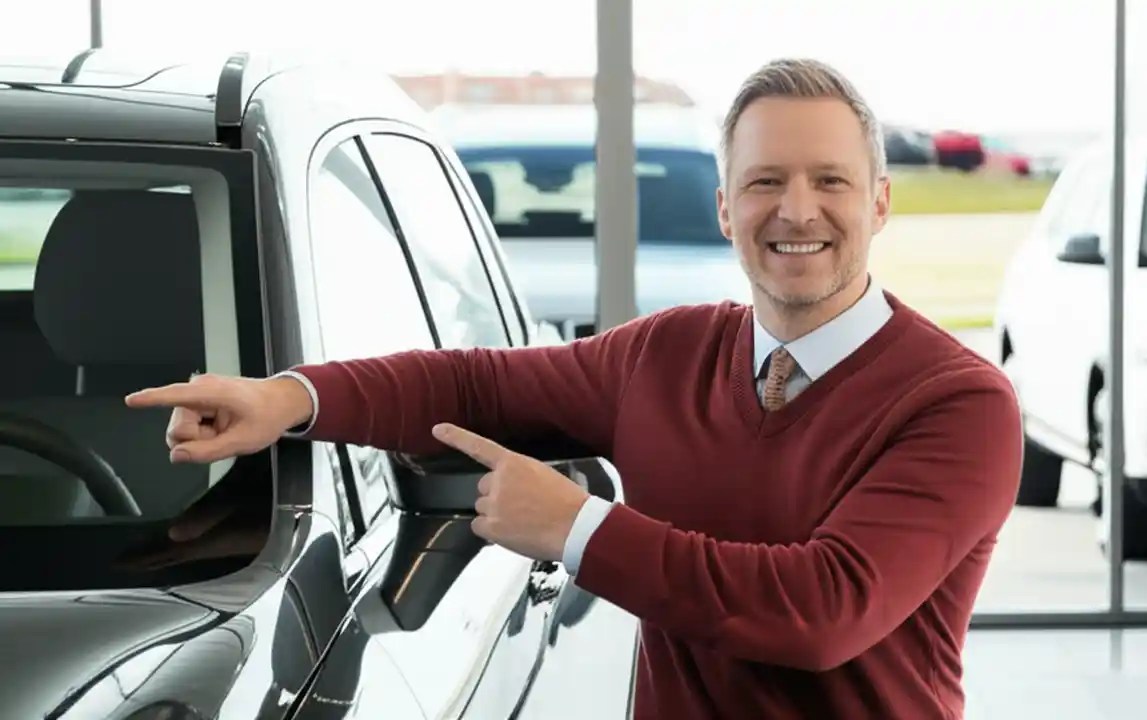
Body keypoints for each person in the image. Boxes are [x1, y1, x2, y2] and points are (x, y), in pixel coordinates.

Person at [126, 57, 1023, 720]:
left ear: (878, 204)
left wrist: (573, 527)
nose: (796, 211)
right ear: (724, 208)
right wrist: (290, 398)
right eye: (764, 183)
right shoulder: (667, 354)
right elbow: (472, 383)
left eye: (830, 181)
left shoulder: (958, 405)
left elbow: (822, 610)